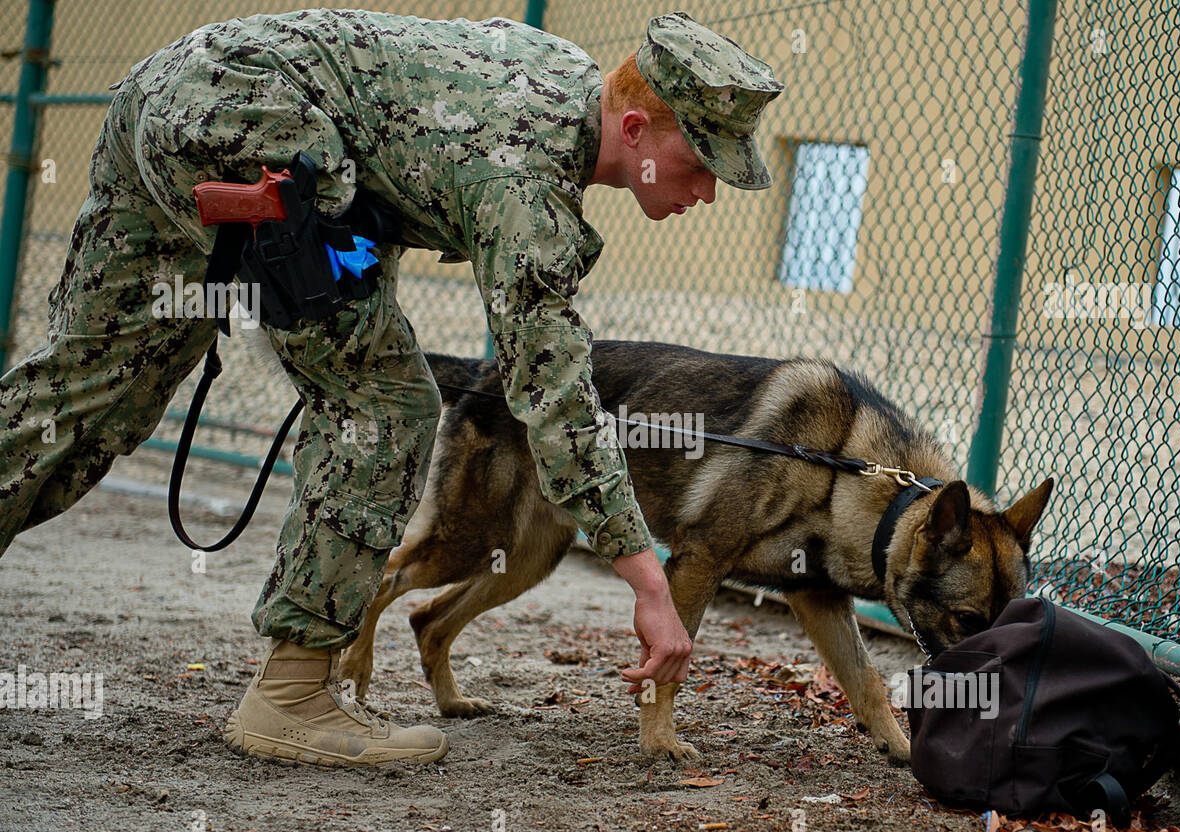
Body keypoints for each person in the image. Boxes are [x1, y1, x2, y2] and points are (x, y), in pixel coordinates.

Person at [0, 10, 783, 766]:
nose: (707, 192)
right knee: (386, 405)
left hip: (173, 89)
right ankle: (292, 695)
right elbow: (553, 395)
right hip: (258, 130)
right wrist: (647, 577)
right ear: (638, 132)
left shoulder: (563, 79)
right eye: (702, 164)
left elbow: (399, 140)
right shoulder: (528, 181)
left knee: (86, 387)